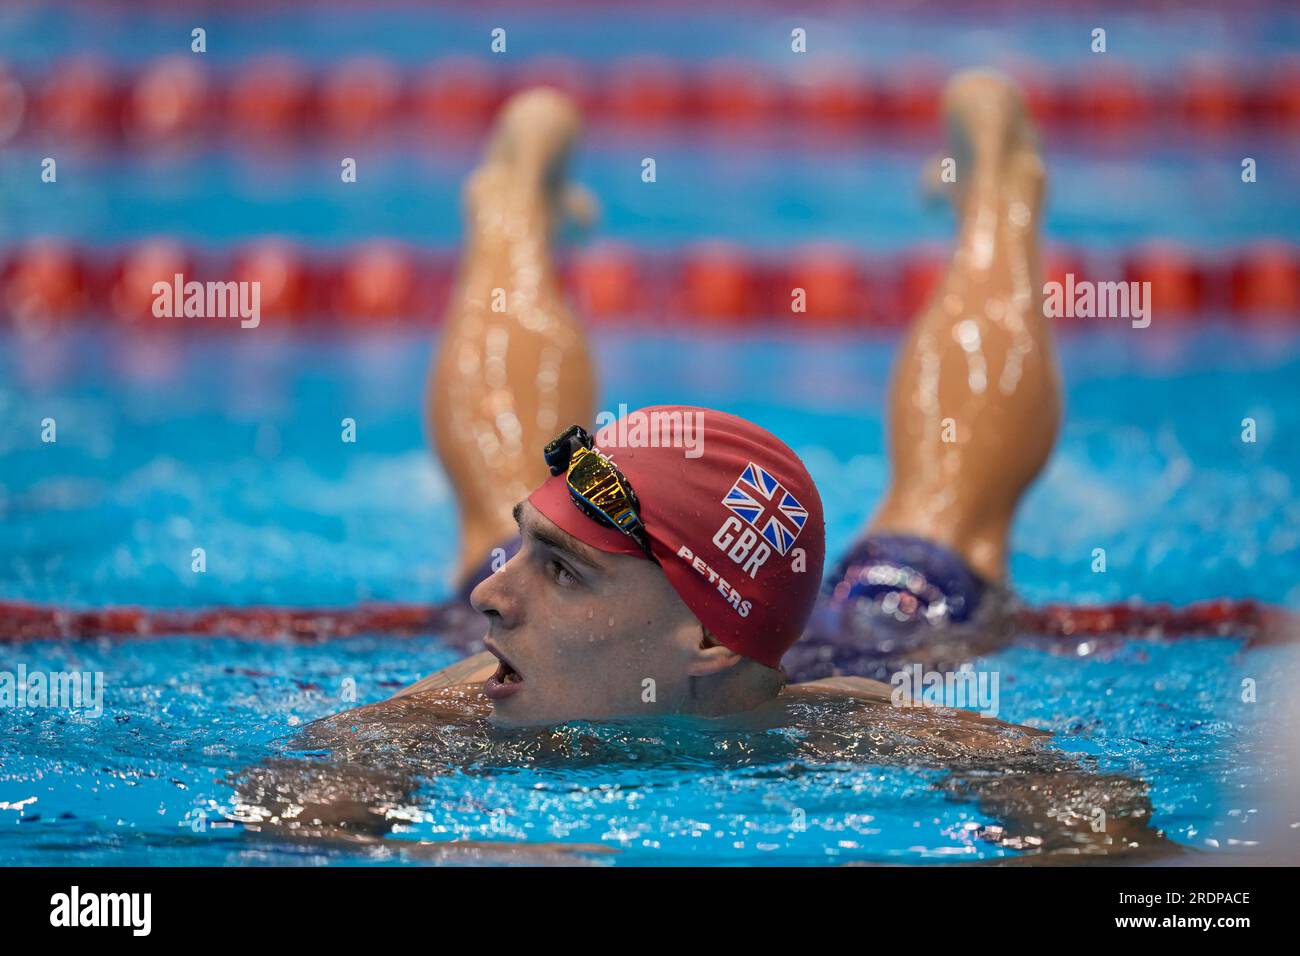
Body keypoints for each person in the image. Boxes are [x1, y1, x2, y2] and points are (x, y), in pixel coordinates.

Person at [248, 71, 1172, 861]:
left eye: (561, 568)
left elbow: (1111, 831)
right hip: (608, 650)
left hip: (845, 642)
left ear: (711, 643)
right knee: (501, 490)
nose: (495, 591)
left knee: (951, 502)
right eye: (536, 549)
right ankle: (511, 205)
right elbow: (293, 806)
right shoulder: (479, 690)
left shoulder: (855, 722)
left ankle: (1002, 197)